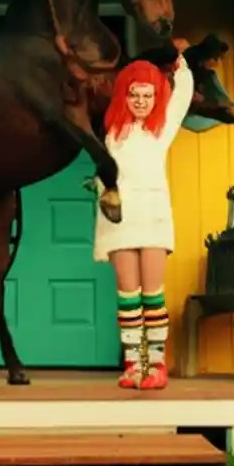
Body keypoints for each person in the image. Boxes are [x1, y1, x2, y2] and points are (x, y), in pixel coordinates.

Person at [94, 39, 194, 390]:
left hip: (152, 217)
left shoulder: (162, 129)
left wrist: (179, 63)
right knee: (127, 294)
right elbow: (104, 172)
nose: (140, 101)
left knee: (152, 293)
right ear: (125, 95)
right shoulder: (111, 134)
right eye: (134, 94)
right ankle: (133, 365)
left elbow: (182, 95)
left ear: (156, 98)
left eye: (147, 95)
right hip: (119, 220)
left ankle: (157, 366)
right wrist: (99, 188)